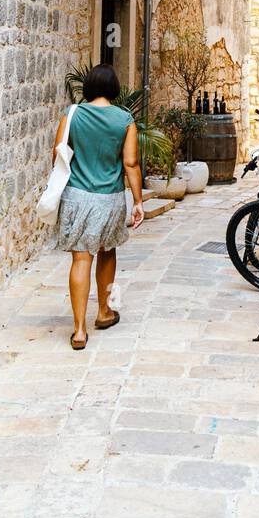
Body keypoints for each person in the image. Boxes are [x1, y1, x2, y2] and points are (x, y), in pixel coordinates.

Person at [51, 64, 145, 350]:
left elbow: (58, 153)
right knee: (107, 252)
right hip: (109, 198)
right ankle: (104, 312)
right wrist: (138, 201)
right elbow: (130, 163)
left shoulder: (72, 114)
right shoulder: (124, 119)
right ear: (114, 87)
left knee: (81, 259)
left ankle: (79, 330)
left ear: (89, 86)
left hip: (77, 196)